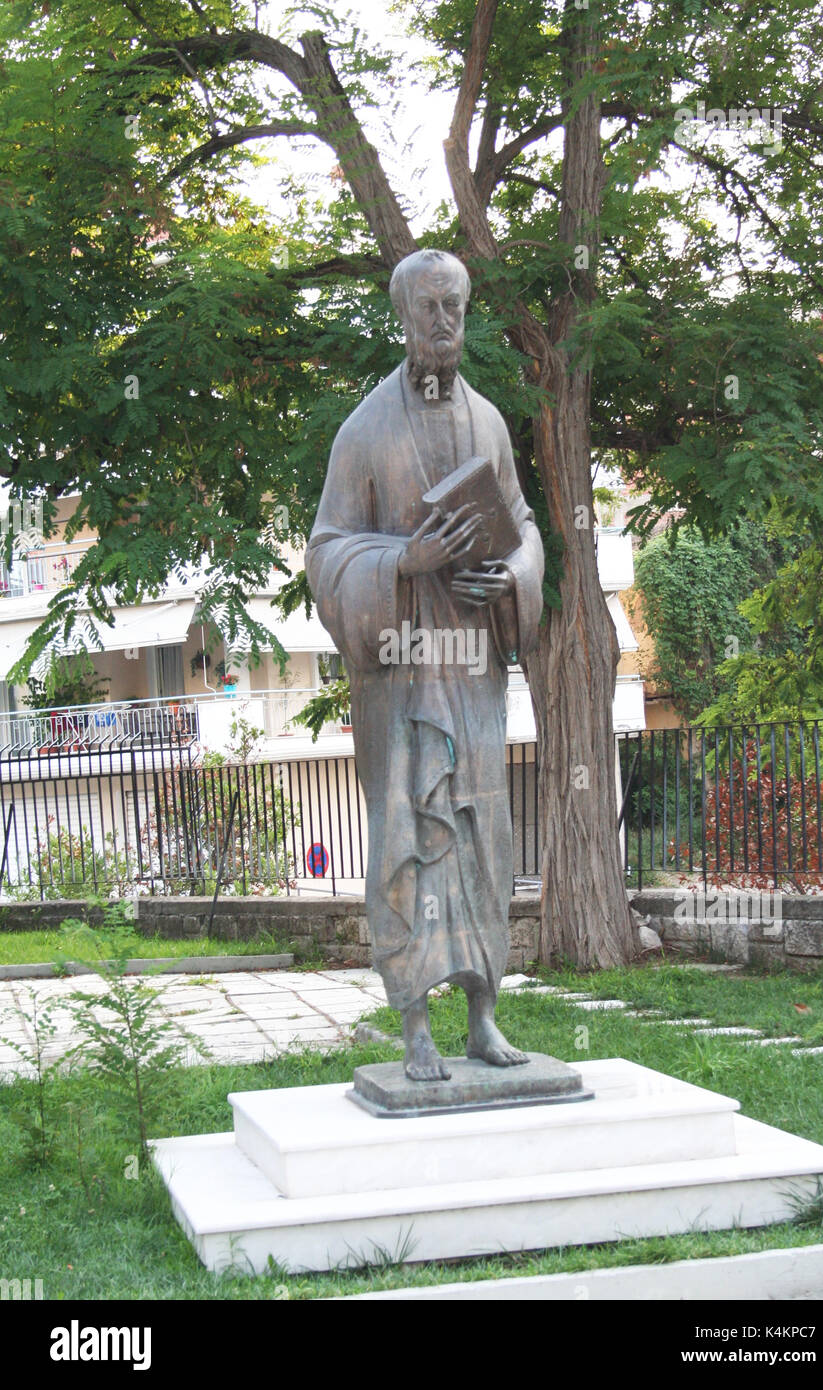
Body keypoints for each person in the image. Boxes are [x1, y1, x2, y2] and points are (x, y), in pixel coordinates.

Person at [306, 249, 544, 1080]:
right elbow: (328, 551)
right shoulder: (365, 430)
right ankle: (414, 1029)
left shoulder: (489, 423)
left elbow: (521, 524)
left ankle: (484, 1017)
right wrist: (403, 563)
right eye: (430, 306)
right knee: (407, 840)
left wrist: (508, 576)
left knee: (483, 837)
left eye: (456, 306)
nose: (445, 321)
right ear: (402, 314)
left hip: (473, 665)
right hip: (401, 673)